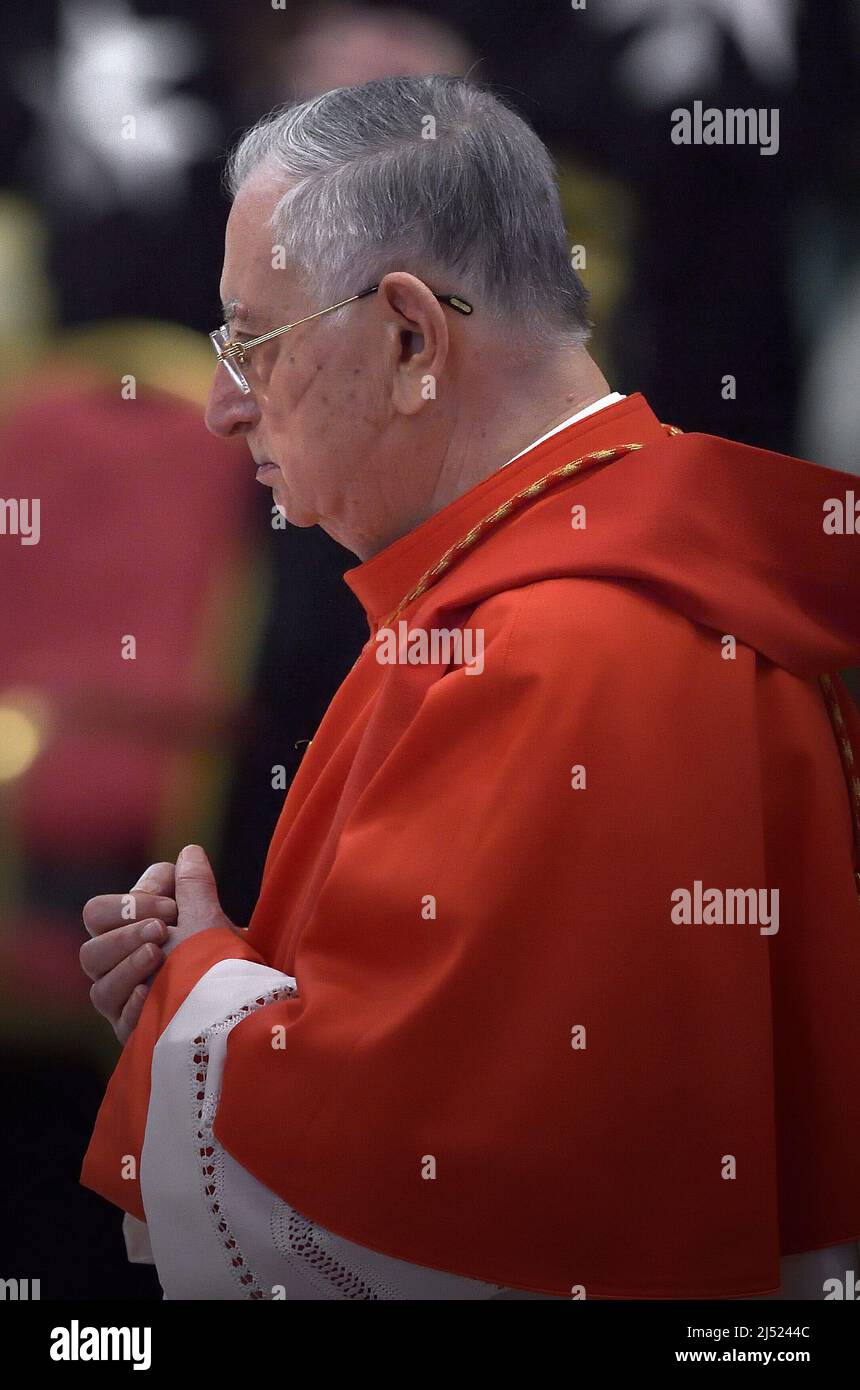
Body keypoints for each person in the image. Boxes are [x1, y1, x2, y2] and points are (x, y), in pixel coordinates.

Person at [80, 75, 860, 1300]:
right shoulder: (570, 573)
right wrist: (227, 984)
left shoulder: (566, 648)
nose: (223, 407)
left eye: (254, 342)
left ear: (408, 337)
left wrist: (199, 999)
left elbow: (452, 1213)